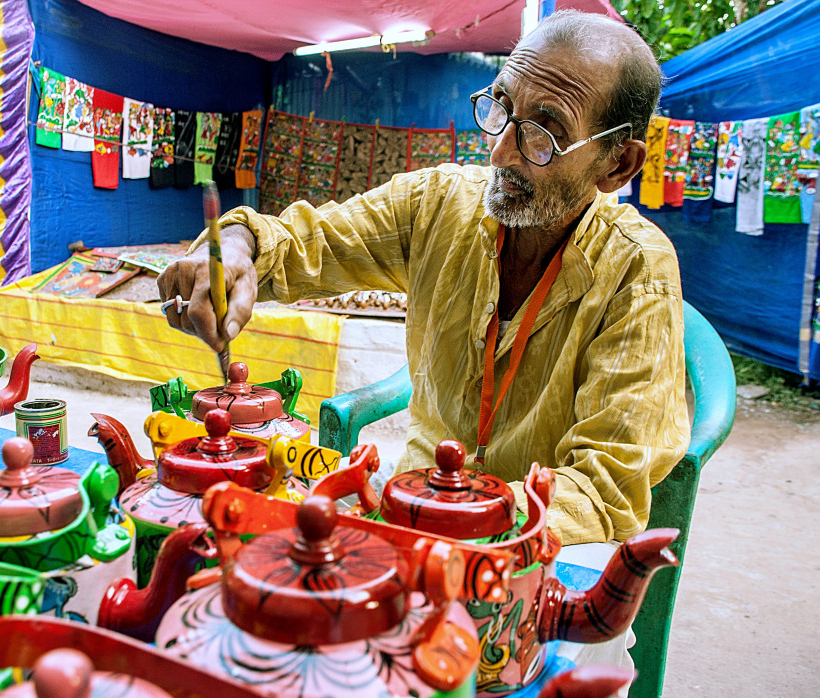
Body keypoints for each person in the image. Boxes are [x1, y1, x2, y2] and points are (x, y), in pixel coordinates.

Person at [157, 10, 691, 546]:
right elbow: (306, 243)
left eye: (545, 135)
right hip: (409, 513)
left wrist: (455, 529)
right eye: (500, 108)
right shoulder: (438, 205)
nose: (501, 151)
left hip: (527, 553)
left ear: (618, 165)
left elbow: (602, 492)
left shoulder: (638, 272)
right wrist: (233, 247)